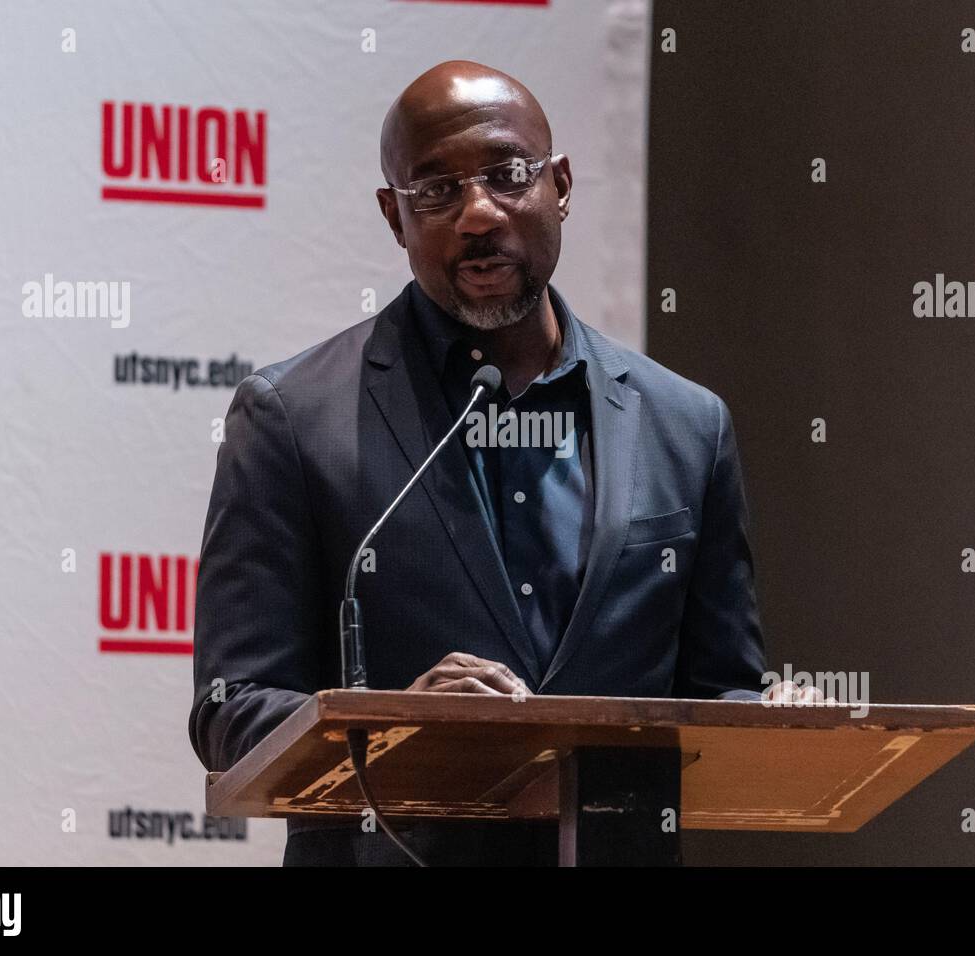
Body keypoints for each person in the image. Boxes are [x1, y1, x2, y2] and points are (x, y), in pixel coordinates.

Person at [188, 60, 817, 867]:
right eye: (436, 191)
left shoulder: (685, 424)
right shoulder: (293, 419)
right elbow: (227, 708)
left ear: (559, 185)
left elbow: (717, 686)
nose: (479, 214)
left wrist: (775, 718)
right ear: (394, 216)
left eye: (507, 175)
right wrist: (393, 728)